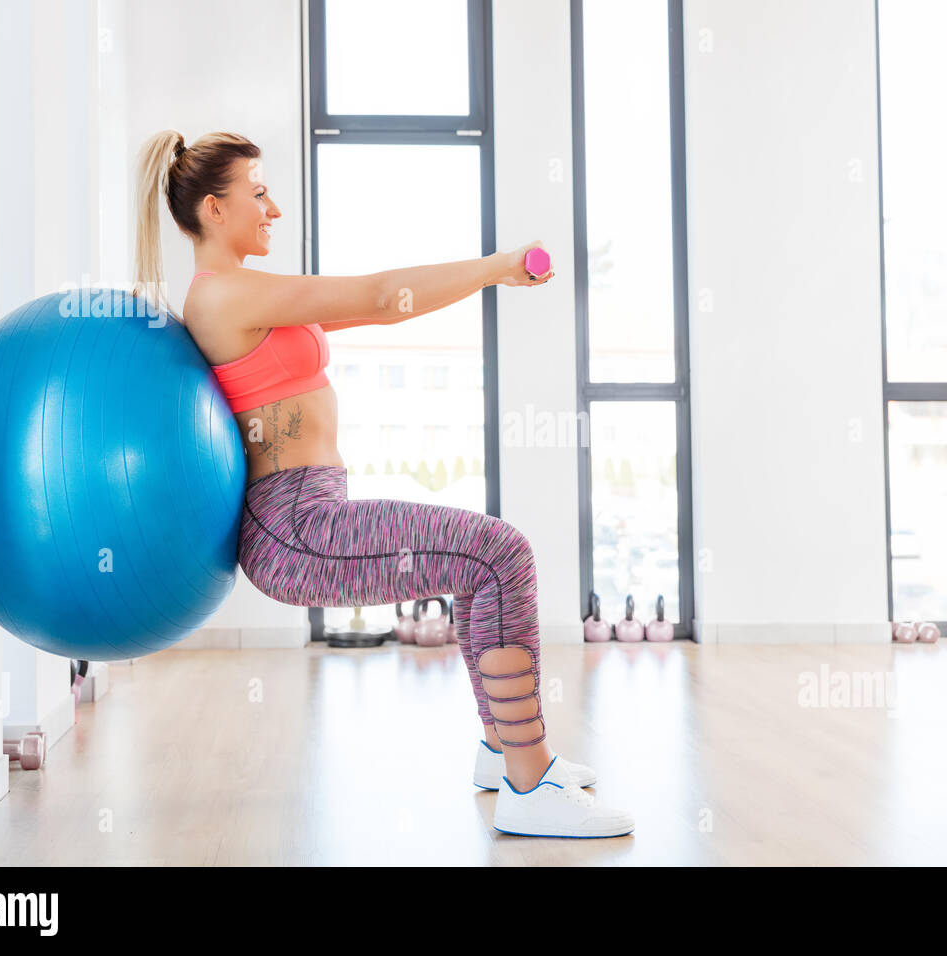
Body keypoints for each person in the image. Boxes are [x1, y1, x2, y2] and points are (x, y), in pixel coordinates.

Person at [131, 129, 633, 839]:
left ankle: (505, 753)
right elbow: (377, 294)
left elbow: (379, 299)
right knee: (501, 555)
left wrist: (489, 274)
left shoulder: (249, 292)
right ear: (214, 210)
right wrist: (497, 265)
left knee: (484, 565)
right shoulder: (223, 297)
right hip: (296, 531)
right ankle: (531, 779)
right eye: (259, 192)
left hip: (310, 516)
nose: (273, 209)